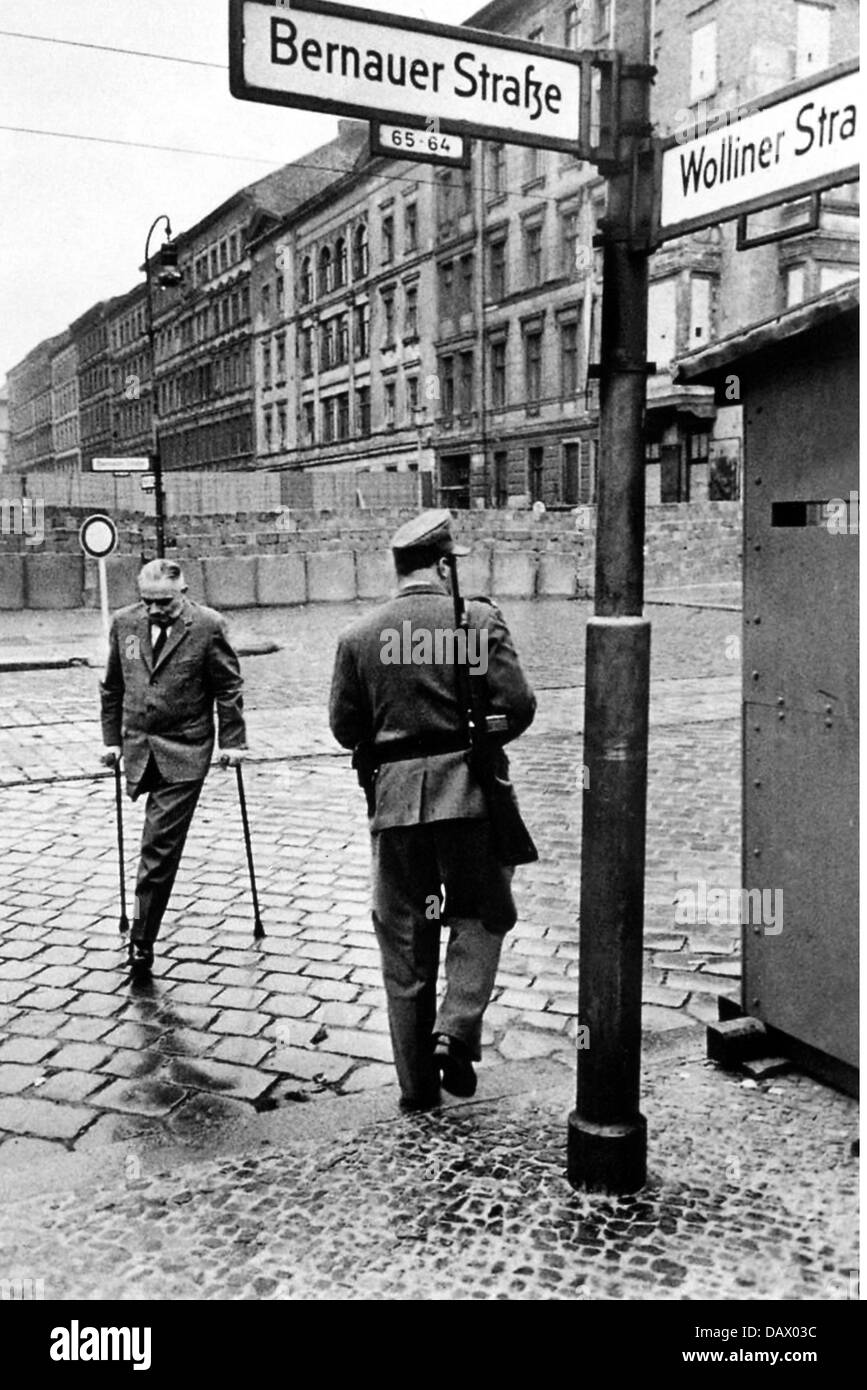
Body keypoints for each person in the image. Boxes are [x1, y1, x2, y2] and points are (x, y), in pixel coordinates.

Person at [329, 510, 536, 1112]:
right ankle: (457, 1027)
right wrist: (476, 733)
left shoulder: (358, 635)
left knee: (404, 942)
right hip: (468, 797)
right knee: (481, 910)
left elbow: (346, 729)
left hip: (394, 807)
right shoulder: (474, 621)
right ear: (444, 565)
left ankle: (418, 1090)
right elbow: (518, 707)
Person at [99, 558, 247, 977]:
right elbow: (112, 685)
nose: (154, 611)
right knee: (153, 845)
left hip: (184, 750)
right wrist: (111, 740)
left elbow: (228, 686)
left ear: (183, 592)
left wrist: (233, 742)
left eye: (163, 602)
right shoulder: (124, 623)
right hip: (137, 746)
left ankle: (141, 942)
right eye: (147, 601)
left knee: (157, 845)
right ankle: (143, 930)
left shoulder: (207, 625)